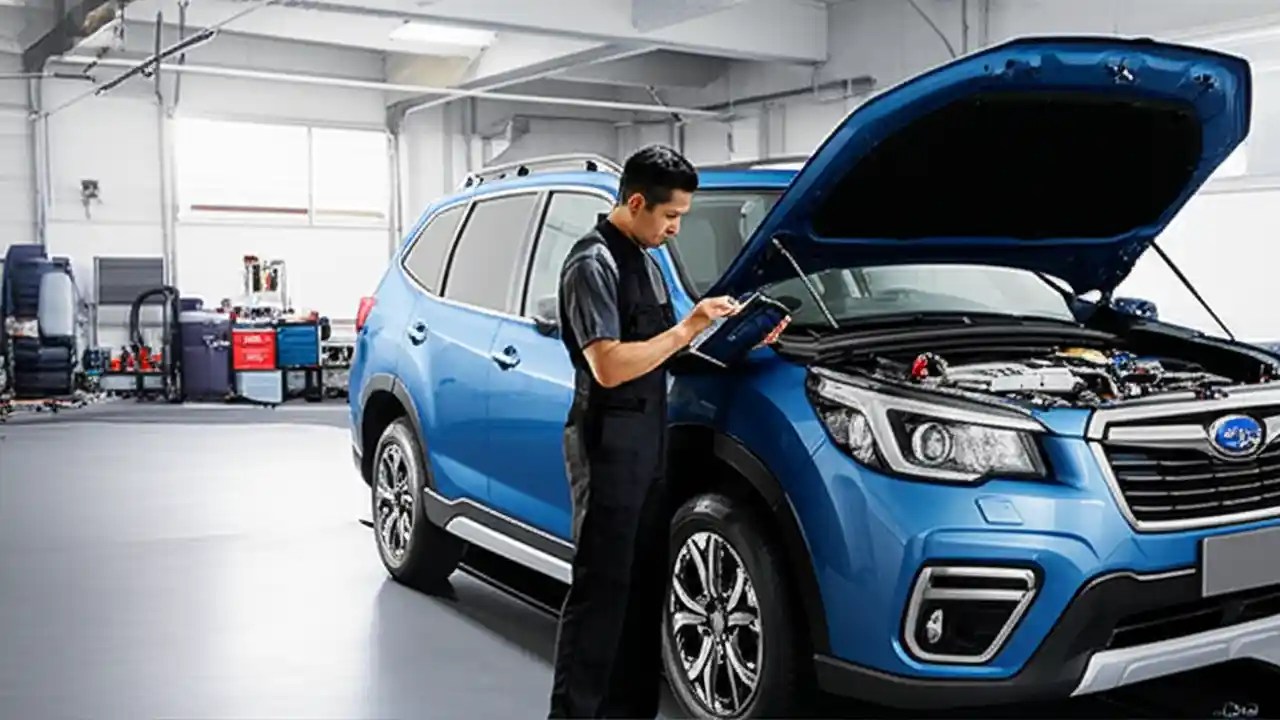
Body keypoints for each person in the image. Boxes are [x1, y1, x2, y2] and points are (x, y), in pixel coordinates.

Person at [547, 145, 786, 719]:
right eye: (671, 215)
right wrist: (687, 327)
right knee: (602, 592)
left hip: (648, 441)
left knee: (643, 587)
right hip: (607, 443)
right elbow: (609, 365)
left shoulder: (646, 260)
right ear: (636, 203)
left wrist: (734, 339)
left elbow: (657, 353)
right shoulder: (592, 263)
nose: (677, 228)